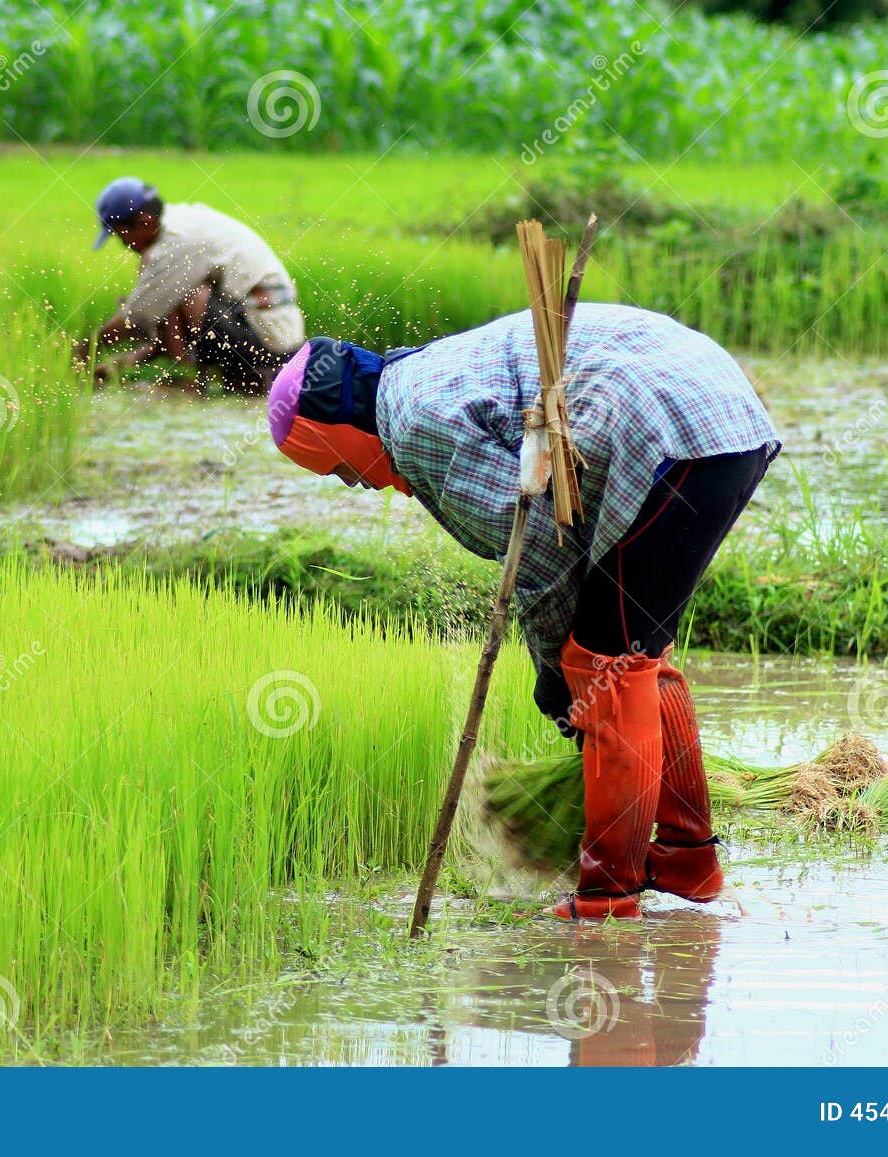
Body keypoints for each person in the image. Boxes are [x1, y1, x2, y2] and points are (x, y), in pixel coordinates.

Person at [266, 303, 779, 921]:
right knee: (635, 650)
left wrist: (555, 680)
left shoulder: (414, 429)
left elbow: (537, 550)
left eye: (343, 468)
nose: (360, 484)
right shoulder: (420, 375)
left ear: (339, 430)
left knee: (606, 665)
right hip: (719, 414)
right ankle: (687, 860)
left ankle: (607, 896)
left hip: (674, 435)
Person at [76, 177, 304, 394]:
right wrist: (129, 360)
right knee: (169, 291)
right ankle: (188, 374)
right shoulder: (178, 222)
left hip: (271, 342)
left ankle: (191, 382)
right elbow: (159, 323)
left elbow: (137, 316)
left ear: (145, 221)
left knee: (184, 294)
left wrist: (85, 349)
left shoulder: (178, 241)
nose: (124, 244)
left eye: (122, 234)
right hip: (262, 329)